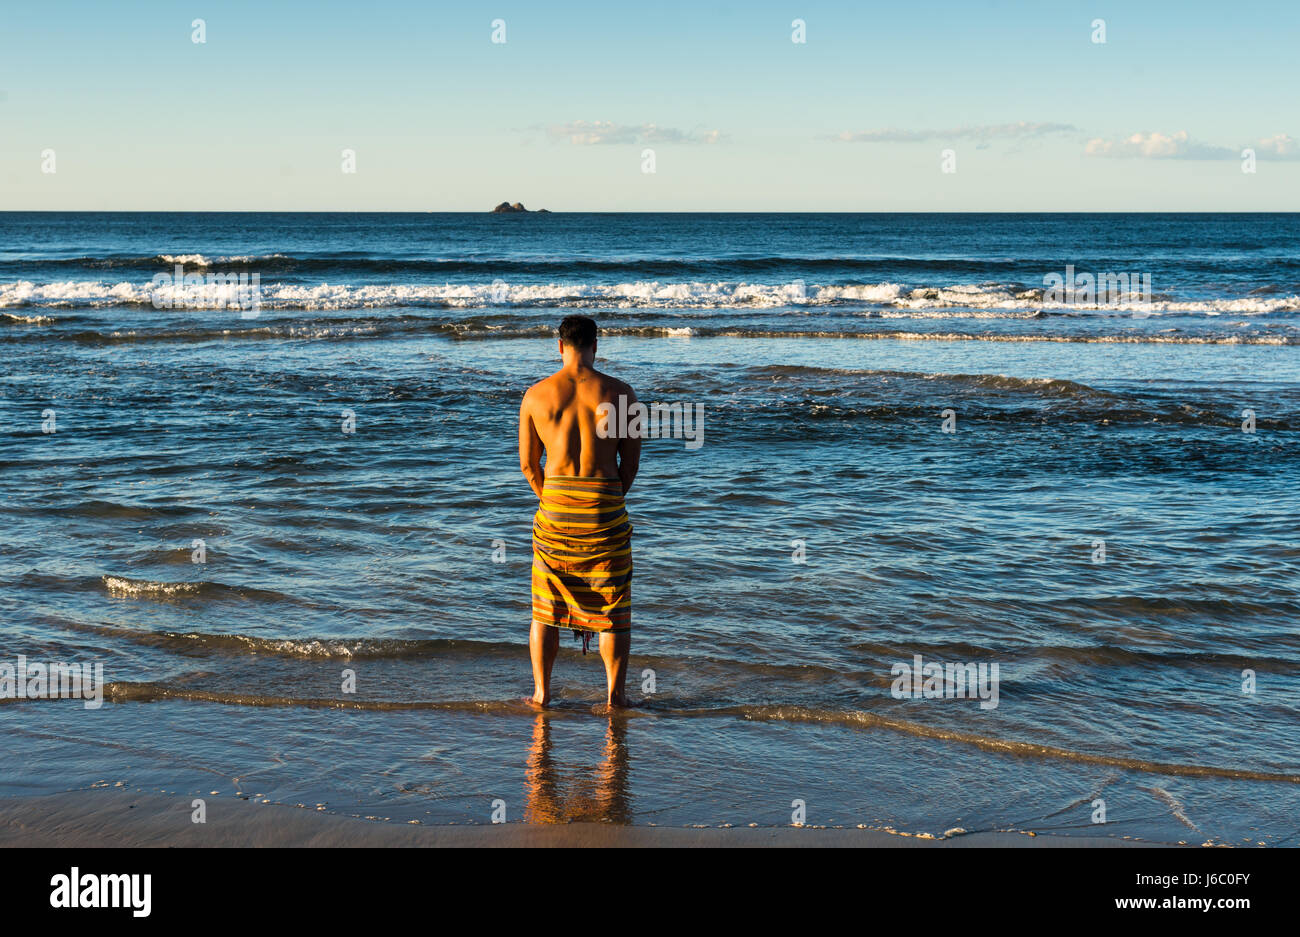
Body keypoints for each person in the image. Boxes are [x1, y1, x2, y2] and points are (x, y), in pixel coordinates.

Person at [519, 315, 640, 708]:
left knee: (546, 606)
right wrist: (605, 499)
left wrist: (551, 497)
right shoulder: (622, 394)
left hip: (554, 510)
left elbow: (527, 464)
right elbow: (631, 465)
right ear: (596, 346)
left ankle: (541, 693)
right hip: (604, 511)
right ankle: (615, 696)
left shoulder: (535, 395)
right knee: (612, 606)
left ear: (559, 346)